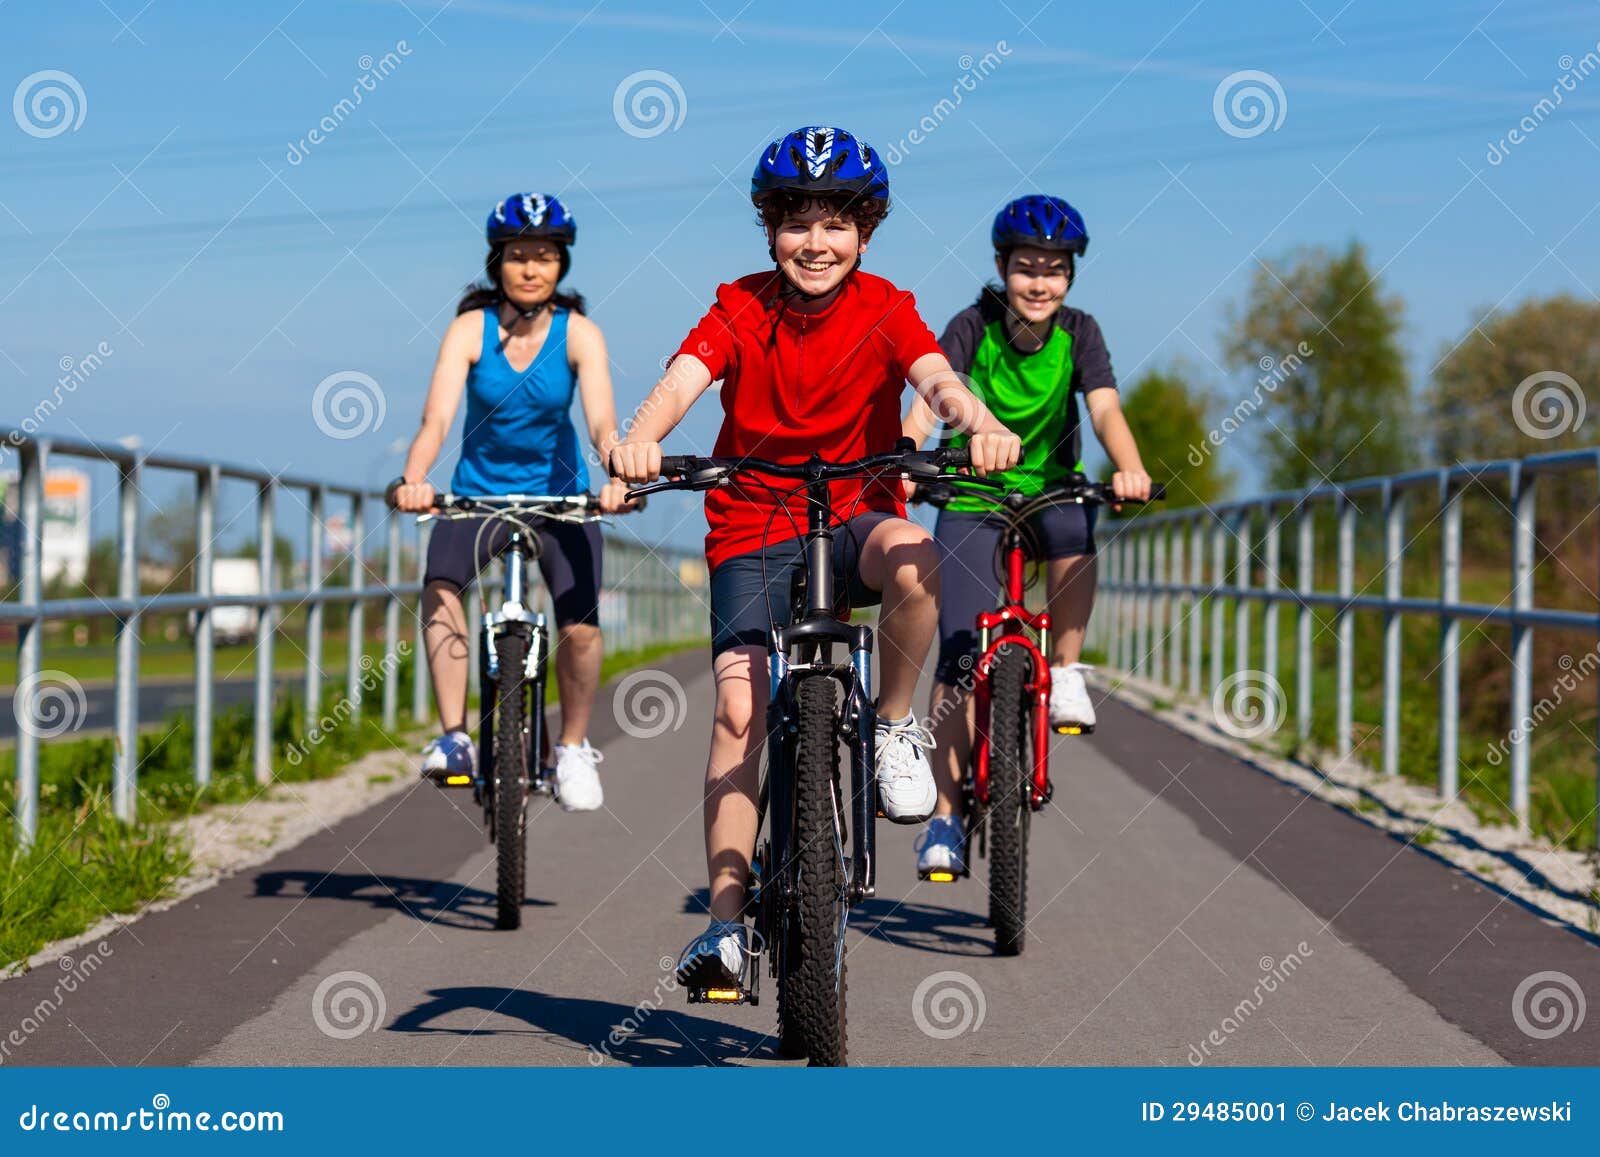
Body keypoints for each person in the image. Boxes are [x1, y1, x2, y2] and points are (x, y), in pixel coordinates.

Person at [609, 126, 1021, 988]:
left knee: (916, 556)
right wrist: (638, 441)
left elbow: (935, 377)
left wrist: (975, 421)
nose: (816, 243)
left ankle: (895, 726)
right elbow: (683, 378)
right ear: (770, 229)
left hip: (854, 513)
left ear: (865, 232)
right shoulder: (738, 305)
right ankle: (724, 927)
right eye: (797, 222)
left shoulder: (886, 306)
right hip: (752, 522)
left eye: (836, 224)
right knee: (736, 711)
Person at [903, 194, 1151, 878]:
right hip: (973, 489)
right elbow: (933, 392)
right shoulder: (970, 325)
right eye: (1025, 267)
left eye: (1054, 269)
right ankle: (944, 820)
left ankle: (1065, 668)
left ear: (1070, 275)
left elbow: (1103, 408)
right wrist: (906, 458)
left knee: (1076, 527)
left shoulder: (1081, 332)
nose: (1039, 283)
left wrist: (1128, 467)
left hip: (1050, 486)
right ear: (1001, 268)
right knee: (957, 652)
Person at [392, 193, 632, 813]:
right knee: (442, 585)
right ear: (497, 261)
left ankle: (573, 747)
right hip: (477, 497)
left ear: (562, 265)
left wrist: (616, 475)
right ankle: (453, 738)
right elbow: (436, 417)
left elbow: (603, 421)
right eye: (519, 256)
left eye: (545, 257)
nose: (531, 269)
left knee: (579, 628)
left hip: (560, 500)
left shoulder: (579, 333)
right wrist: (415, 476)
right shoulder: (469, 330)